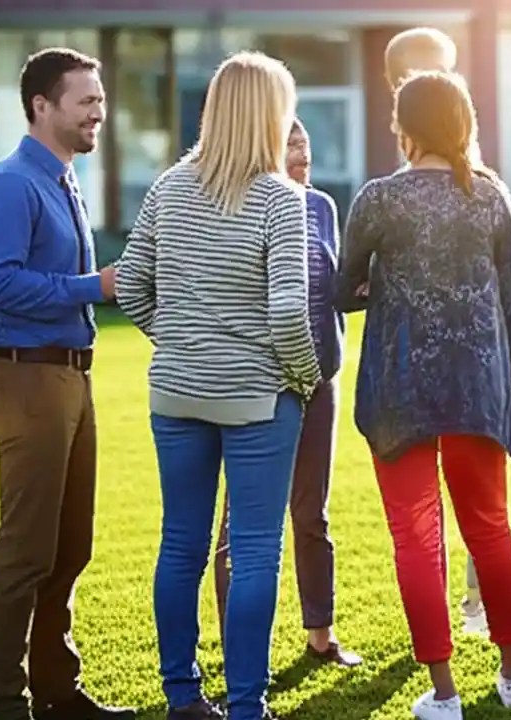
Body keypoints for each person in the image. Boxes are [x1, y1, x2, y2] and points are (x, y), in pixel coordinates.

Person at [115, 51, 321, 720]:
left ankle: (182, 696)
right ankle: (246, 706)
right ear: (271, 114)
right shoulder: (280, 199)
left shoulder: (168, 186)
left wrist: (178, 341)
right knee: (256, 549)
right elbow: (289, 310)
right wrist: (307, 378)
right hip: (261, 398)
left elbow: (132, 287)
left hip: (176, 394)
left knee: (181, 544)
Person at [335, 71, 511, 720]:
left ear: (405, 128)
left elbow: (342, 289)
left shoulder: (380, 200)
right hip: (477, 386)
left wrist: (378, 292)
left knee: (416, 539)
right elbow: (509, 304)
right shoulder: (493, 197)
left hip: (400, 391)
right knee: (491, 529)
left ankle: (444, 695)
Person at [0, 47, 133, 720]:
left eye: (100, 99)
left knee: (69, 547)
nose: (100, 111)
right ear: (42, 105)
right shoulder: (13, 185)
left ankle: (59, 692)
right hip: (27, 379)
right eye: (85, 100)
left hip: (69, 379)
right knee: (26, 550)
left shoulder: (62, 180)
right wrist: (94, 286)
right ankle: (3, 702)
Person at [209, 117, 361, 668]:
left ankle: (321, 636)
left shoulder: (322, 207)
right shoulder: (240, 208)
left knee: (311, 513)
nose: (302, 152)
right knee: (245, 520)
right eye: (289, 144)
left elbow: (336, 288)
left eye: (306, 142)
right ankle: (239, 651)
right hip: (259, 387)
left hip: (320, 382)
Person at [383, 26, 489, 634]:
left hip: (467, 363)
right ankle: (438, 622)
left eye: (445, 69)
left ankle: (475, 605)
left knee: (479, 506)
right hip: (404, 367)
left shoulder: (478, 175)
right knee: (418, 516)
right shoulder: (388, 181)